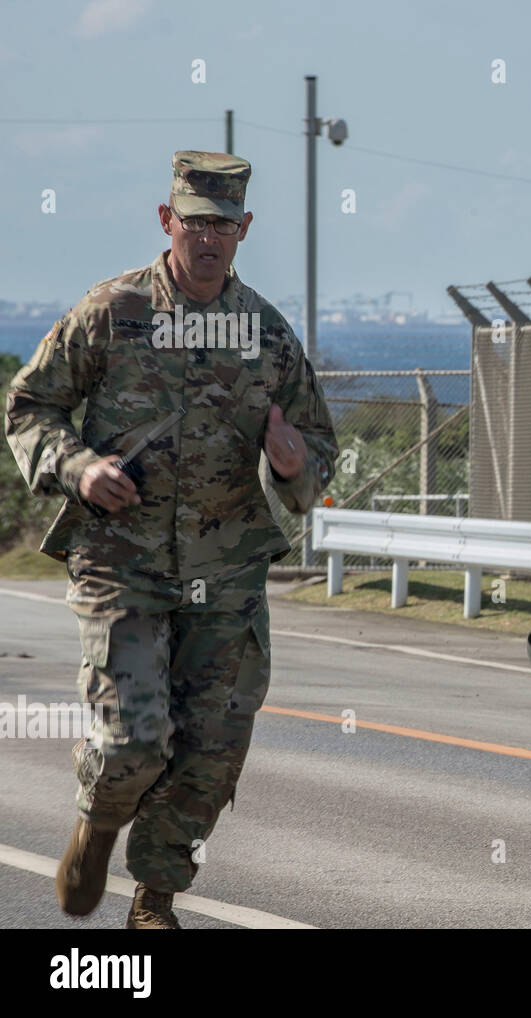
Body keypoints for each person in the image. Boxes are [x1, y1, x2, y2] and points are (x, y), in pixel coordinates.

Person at [5, 150, 338, 929]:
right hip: (122, 563)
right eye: (195, 222)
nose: (209, 238)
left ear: (245, 229)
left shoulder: (266, 333)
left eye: (224, 224)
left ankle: (154, 900)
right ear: (167, 222)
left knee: (211, 753)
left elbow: (316, 453)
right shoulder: (112, 310)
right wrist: (78, 466)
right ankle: (97, 820)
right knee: (134, 743)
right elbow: (27, 407)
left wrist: (294, 464)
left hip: (225, 574)